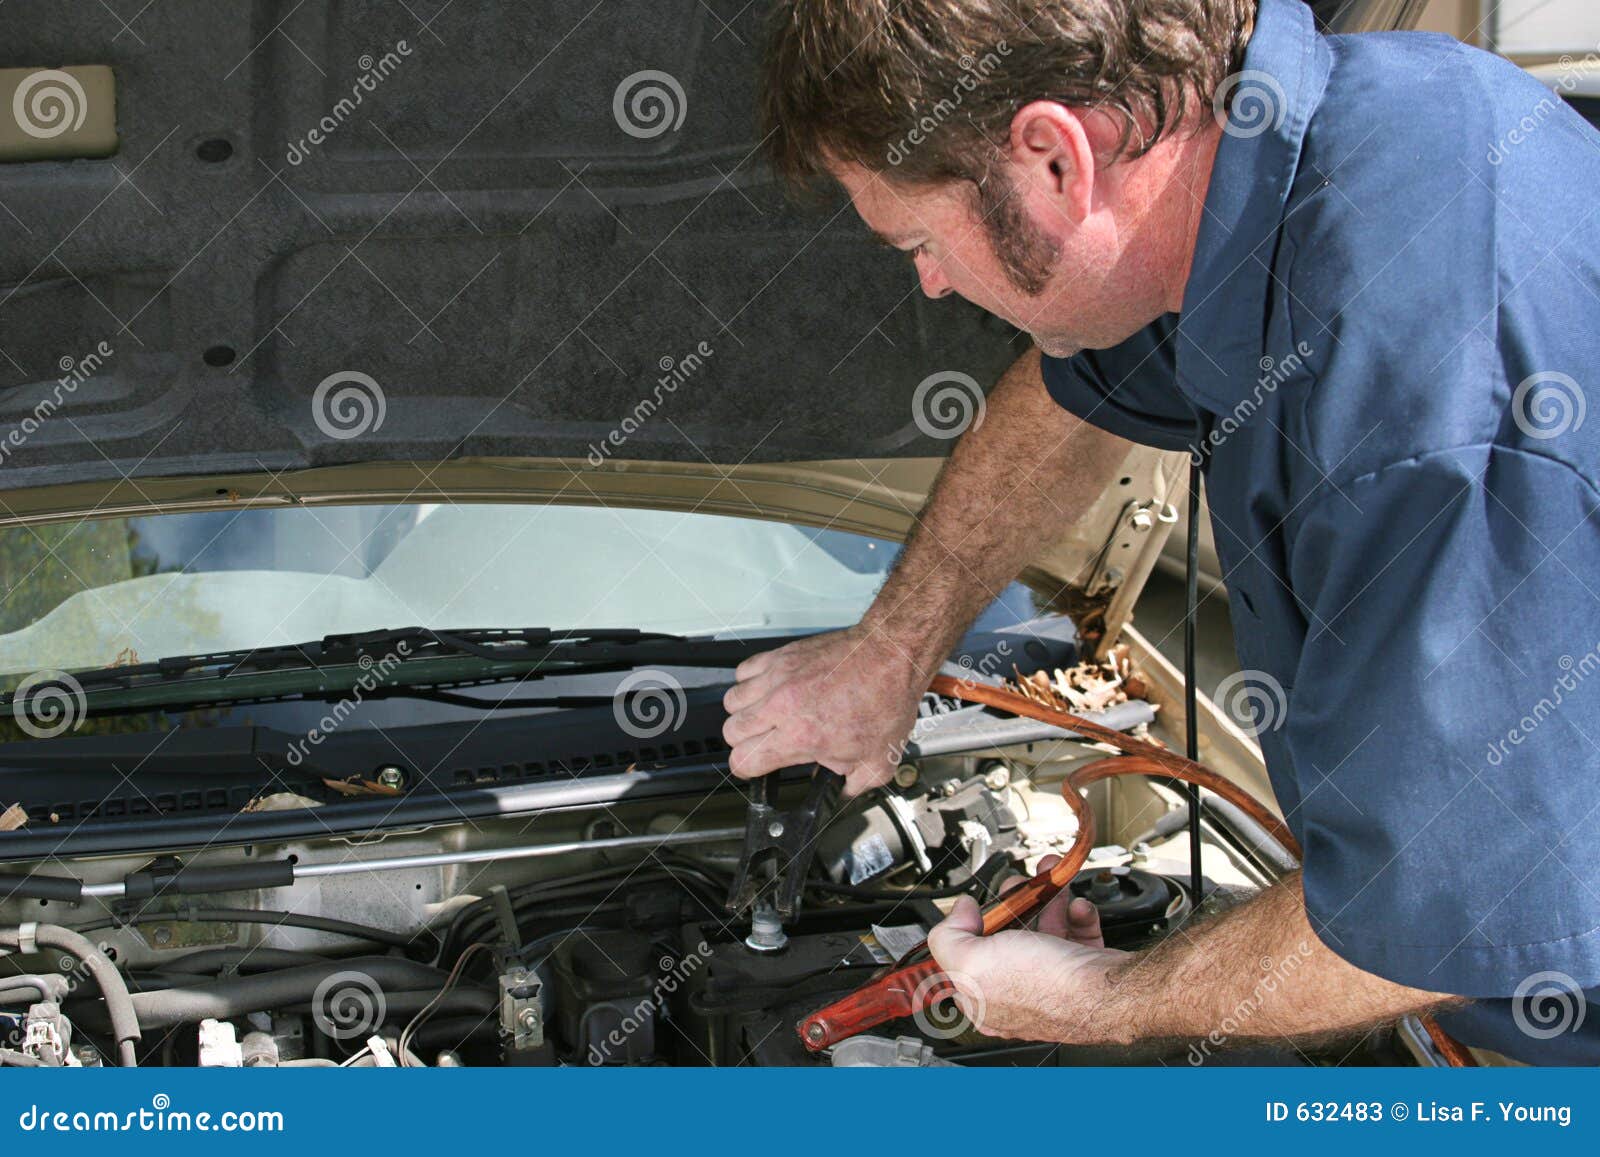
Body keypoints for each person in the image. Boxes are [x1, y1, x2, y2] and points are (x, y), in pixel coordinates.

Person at [722, 0, 1600, 1063]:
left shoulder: (1418, 417)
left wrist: (1100, 997)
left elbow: (1441, 920)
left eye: (917, 239)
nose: (931, 282)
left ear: (1053, 158)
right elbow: (1073, 394)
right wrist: (892, 651)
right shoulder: (1341, 126)